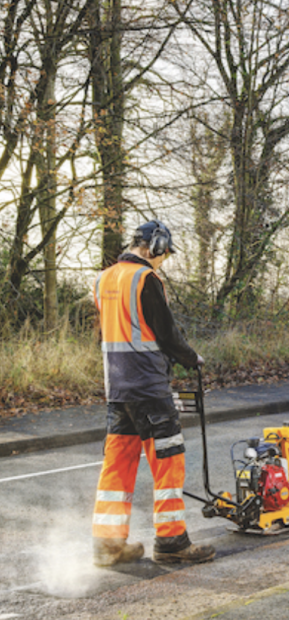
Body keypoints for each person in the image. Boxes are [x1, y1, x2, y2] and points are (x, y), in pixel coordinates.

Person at [91, 220, 215, 567]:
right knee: (169, 462)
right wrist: (191, 358)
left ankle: (108, 546)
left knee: (117, 466)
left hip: (117, 391)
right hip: (148, 388)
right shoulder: (145, 279)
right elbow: (166, 332)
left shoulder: (103, 279)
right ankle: (172, 541)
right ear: (155, 246)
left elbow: (107, 335)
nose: (163, 262)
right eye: (164, 255)